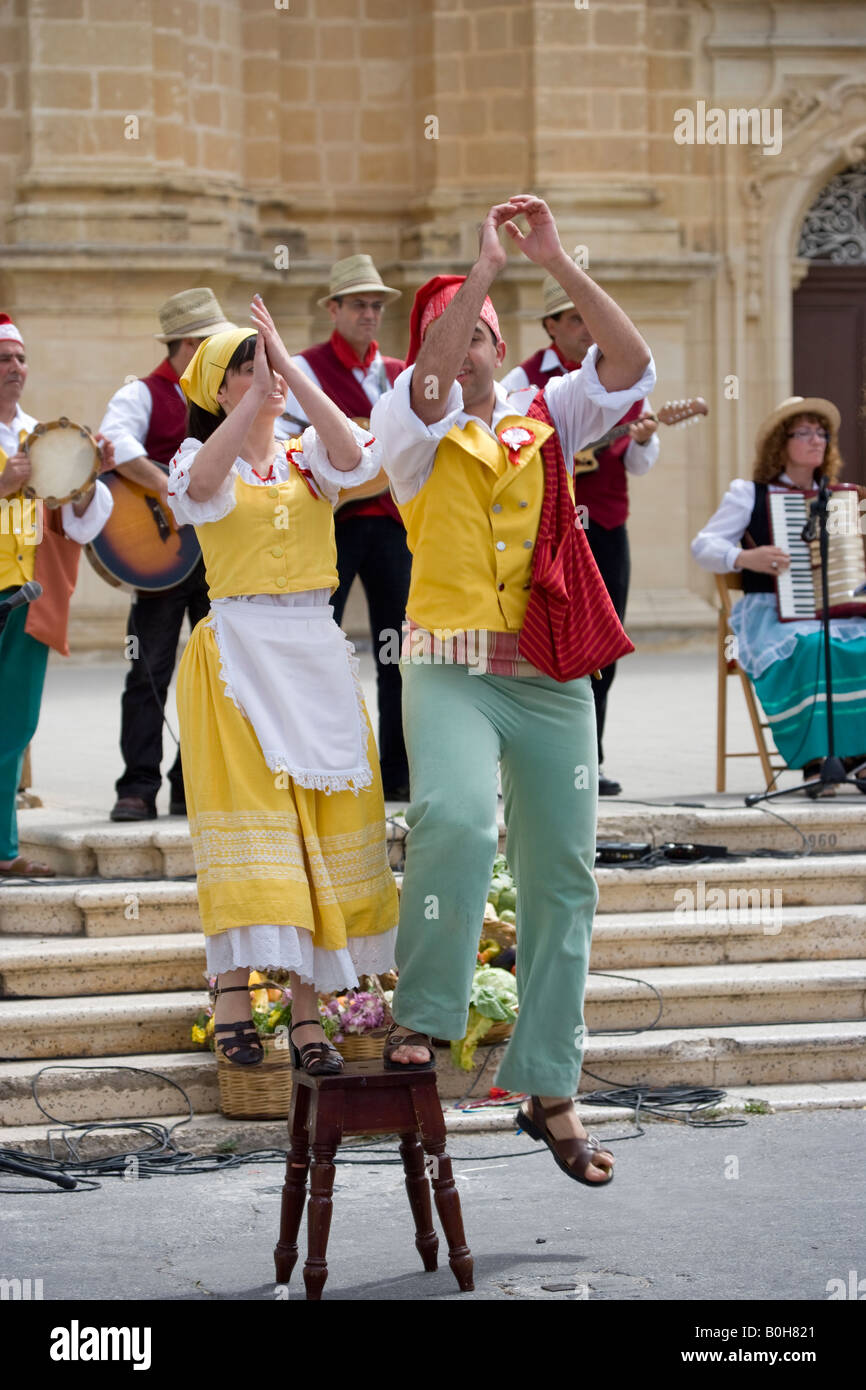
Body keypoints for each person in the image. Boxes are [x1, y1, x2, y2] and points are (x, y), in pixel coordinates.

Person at [370, 196, 655, 1183]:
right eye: (458, 328)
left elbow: (625, 361)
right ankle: (425, 1017)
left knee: (562, 871)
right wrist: (479, 271)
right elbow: (430, 378)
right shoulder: (405, 423)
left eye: (489, 328)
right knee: (451, 818)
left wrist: (558, 263)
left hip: (545, 676)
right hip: (448, 665)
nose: (476, 339)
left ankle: (549, 1085)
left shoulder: (550, 413)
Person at [168, 301, 398, 1070]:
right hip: (236, 653)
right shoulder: (200, 458)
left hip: (312, 647)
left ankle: (308, 1015)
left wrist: (292, 374)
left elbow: (362, 460)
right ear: (219, 389)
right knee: (257, 825)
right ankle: (231, 991)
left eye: (260, 356)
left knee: (321, 831)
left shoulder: (308, 457)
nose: (257, 372)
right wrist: (250, 404)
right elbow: (201, 486)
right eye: (241, 365)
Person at [501, 270, 659, 796]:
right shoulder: (523, 383)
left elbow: (638, 466)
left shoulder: (615, 374)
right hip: (544, 529)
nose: (588, 329)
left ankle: (589, 760)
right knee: (532, 641)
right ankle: (526, 763)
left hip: (606, 526)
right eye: (575, 319)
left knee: (603, 646)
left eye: (590, 317)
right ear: (551, 325)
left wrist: (641, 440)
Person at [98, 288, 236, 822]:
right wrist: (169, 490)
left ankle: (190, 783)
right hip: (162, 555)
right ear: (186, 344)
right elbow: (115, 441)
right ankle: (136, 786)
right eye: (210, 343)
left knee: (219, 672)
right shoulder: (142, 393)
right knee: (147, 668)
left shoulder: (226, 394)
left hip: (222, 554)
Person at [278, 255, 411, 800]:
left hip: (394, 529)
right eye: (358, 304)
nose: (370, 314)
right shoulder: (303, 369)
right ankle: (321, 767)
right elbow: (289, 438)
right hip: (332, 525)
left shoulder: (400, 373)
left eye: (377, 305)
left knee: (398, 651)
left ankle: (399, 773)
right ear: (332, 309)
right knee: (319, 644)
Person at [691, 395, 866, 790]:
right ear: (780, 444)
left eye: (821, 433)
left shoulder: (839, 499)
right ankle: (816, 760)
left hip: (835, 612)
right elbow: (703, 547)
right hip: (769, 612)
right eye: (803, 432)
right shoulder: (749, 494)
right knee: (810, 646)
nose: (816, 440)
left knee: (856, 644)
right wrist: (745, 557)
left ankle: (856, 754)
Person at [0, 312, 114, 877]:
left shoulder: (42, 435)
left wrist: (90, 473)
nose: (16, 368)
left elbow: (79, 523)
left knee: (14, 723)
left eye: (20, 358)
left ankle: (3, 848)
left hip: (24, 596)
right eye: (4, 359)